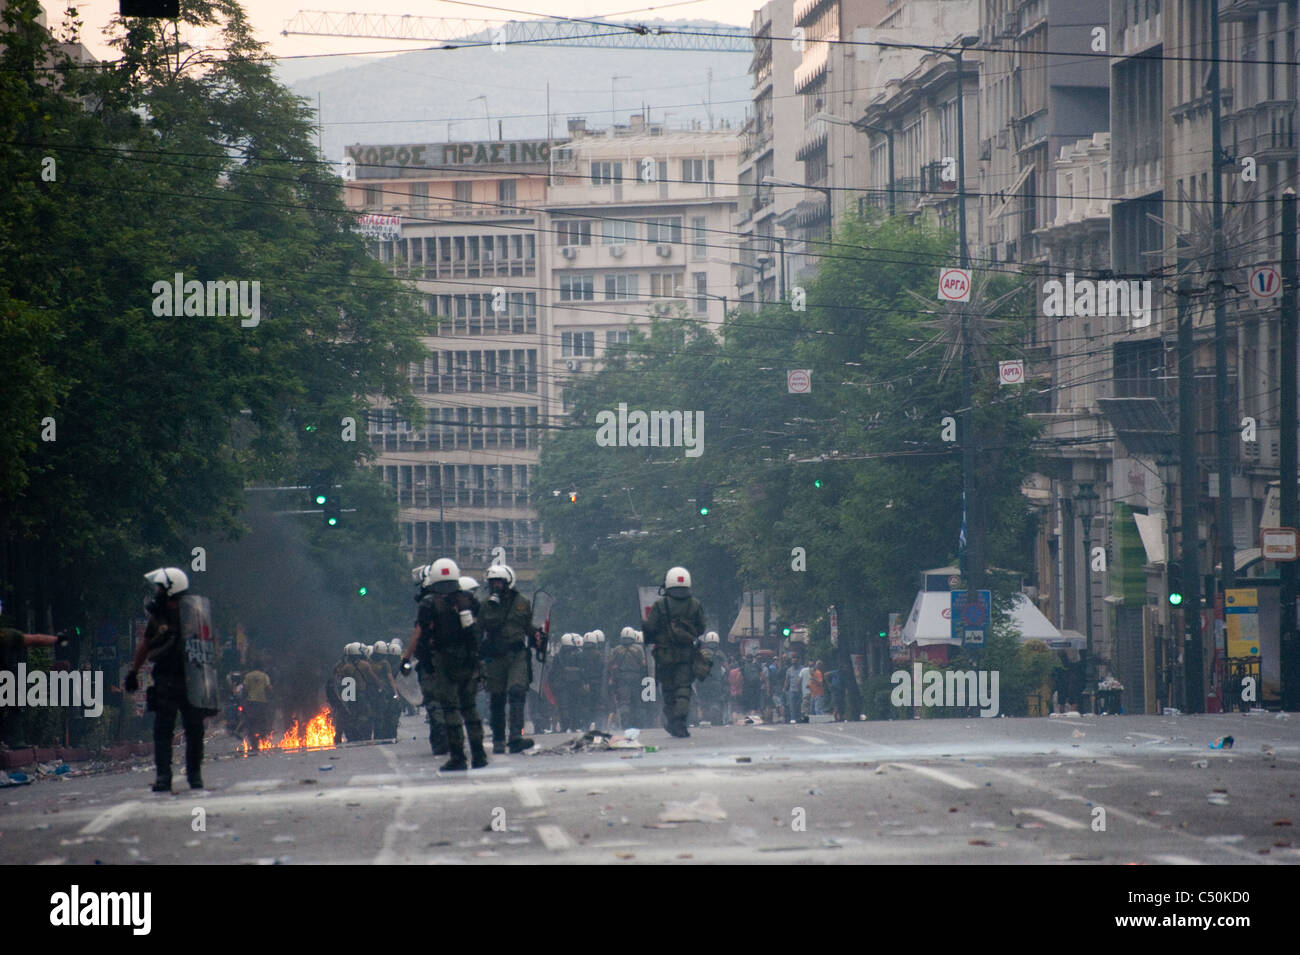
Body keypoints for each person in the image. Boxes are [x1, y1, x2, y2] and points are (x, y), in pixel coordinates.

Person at [124, 567, 214, 792]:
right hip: (166, 681)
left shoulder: (194, 614)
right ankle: (164, 776)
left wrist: (209, 689)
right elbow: (146, 645)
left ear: (170, 589)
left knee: (194, 731)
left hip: (191, 682)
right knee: (163, 731)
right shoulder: (159, 617)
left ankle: (195, 775)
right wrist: (133, 672)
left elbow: (209, 649)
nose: (156, 592)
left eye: (160, 588)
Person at [400, 557, 488, 771]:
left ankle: (458, 757)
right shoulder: (469, 600)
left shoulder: (429, 603)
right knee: (469, 708)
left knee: (449, 709)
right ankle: (478, 754)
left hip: (443, 661)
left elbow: (419, 632)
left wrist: (406, 657)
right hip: (468, 660)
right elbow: (481, 629)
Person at [478, 564, 536, 754]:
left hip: (516, 655)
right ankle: (498, 739)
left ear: (508, 582)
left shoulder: (523, 602)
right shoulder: (485, 606)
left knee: (517, 691)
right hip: (495, 656)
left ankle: (515, 736)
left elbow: (530, 627)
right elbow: (478, 633)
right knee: (496, 698)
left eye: (499, 582)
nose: (495, 586)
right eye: (492, 582)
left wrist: (538, 636)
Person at [642, 566, 707, 738]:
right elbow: (701, 627)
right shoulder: (694, 604)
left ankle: (672, 721)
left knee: (668, 690)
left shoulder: (660, 605)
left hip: (664, 655)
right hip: (686, 654)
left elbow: (650, 627)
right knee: (683, 688)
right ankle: (680, 722)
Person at [608, 626, 647, 730]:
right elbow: (644, 664)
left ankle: (625, 722)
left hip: (621, 679)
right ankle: (639, 723)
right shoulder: (638, 649)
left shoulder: (616, 650)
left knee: (624, 702)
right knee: (637, 701)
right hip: (636, 678)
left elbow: (611, 664)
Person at [241, 658, 273, 750]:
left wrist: (243, 700)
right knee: (262, 720)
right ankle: (263, 737)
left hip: (251, 703)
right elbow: (268, 688)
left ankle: (253, 743)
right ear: (261, 666)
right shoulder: (264, 676)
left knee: (251, 722)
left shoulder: (248, 676)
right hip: (262, 702)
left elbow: (245, 689)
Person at [784, 655, 802, 725]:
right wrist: (785, 688)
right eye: (793, 659)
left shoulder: (802, 669)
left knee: (799, 705)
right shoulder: (789, 670)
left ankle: (799, 717)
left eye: (795, 659)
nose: (794, 660)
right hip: (792, 690)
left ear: (798, 660)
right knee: (791, 705)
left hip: (800, 690)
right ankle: (793, 718)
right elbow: (787, 680)